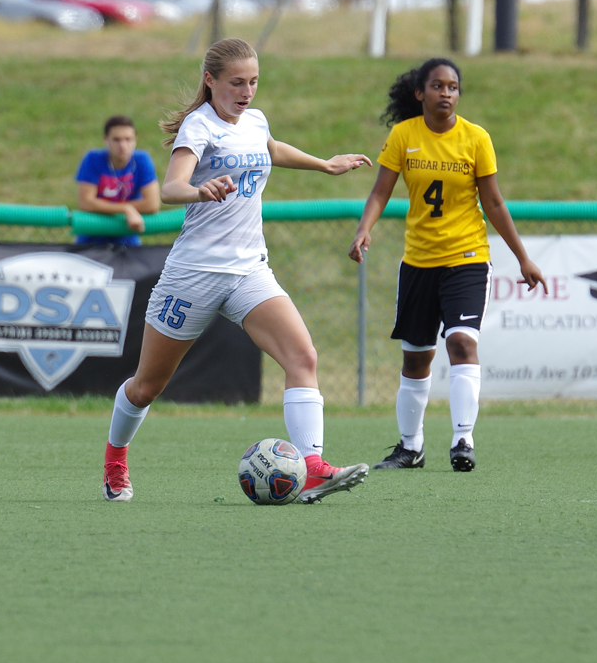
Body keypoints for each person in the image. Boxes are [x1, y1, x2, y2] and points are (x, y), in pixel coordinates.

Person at [101, 38, 374, 504]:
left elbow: (270, 148)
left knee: (302, 357)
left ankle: (312, 470)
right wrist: (199, 189)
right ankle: (114, 463)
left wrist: (324, 165)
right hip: (193, 275)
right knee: (147, 387)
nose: (247, 92)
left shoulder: (255, 120)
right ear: (211, 81)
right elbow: (170, 188)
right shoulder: (199, 125)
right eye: (236, 83)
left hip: (249, 271)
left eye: (253, 82)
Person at [348, 58, 546, 472]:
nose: (446, 93)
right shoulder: (404, 135)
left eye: (453, 87)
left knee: (461, 342)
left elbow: (493, 202)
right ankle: (410, 447)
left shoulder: (476, 139)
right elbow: (380, 192)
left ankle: (462, 441)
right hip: (418, 262)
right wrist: (365, 228)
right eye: (437, 86)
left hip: (467, 259)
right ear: (420, 93)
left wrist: (523, 257)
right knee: (416, 358)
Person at [74, 115, 160, 246]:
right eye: (116, 140)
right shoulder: (93, 159)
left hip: (127, 238)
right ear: (106, 140)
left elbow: (152, 204)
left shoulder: (142, 160)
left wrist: (120, 208)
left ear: (135, 140)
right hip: (91, 238)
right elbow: (86, 203)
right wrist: (126, 209)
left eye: (128, 139)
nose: (123, 145)